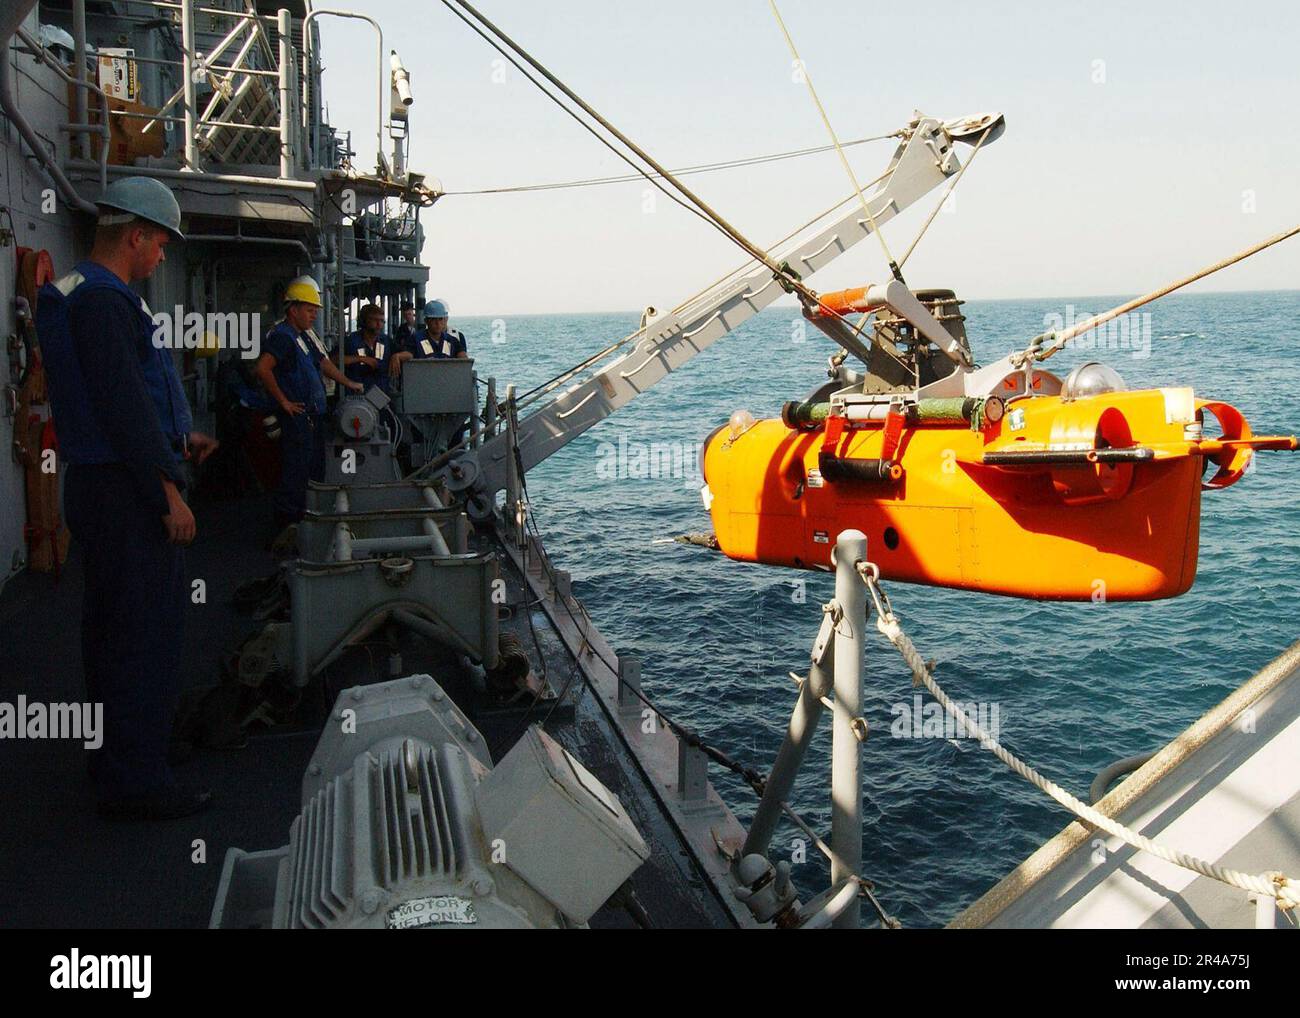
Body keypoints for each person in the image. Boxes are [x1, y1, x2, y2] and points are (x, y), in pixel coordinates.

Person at [36, 176, 217, 821]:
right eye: (160, 244)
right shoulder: (108, 303)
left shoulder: (72, 293)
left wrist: (180, 435)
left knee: (111, 632)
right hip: (126, 494)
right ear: (135, 235)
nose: (163, 257)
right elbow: (123, 410)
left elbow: (108, 398)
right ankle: (140, 781)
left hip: (100, 485)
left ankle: (119, 756)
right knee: (145, 635)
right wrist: (169, 493)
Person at [253, 275, 362, 533]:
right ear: (293, 309)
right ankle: (286, 529)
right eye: (310, 310)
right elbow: (263, 368)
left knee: (313, 472)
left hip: (312, 417)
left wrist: (348, 383)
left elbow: (323, 364)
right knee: (296, 474)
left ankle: (305, 524)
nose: (314, 315)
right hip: (298, 417)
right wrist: (284, 403)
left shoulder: (303, 337)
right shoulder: (282, 336)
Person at [389, 298, 467, 382]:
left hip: (447, 383)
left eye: (440, 319)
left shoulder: (452, 341)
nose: (437, 323)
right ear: (426, 321)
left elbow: (464, 360)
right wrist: (397, 356)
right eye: (433, 319)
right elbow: (409, 353)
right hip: (424, 384)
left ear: (445, 320)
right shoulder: (416, 339)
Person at [342, 302, 392, 392]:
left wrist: (397, 356)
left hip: (381, 395)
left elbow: (408, 354)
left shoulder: (386, 341)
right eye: (375, 320)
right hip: (357, 395)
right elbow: (334, 360)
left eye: (382, 321)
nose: (379, 324)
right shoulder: (351, 341)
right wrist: (360, 358)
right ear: (364, 321)